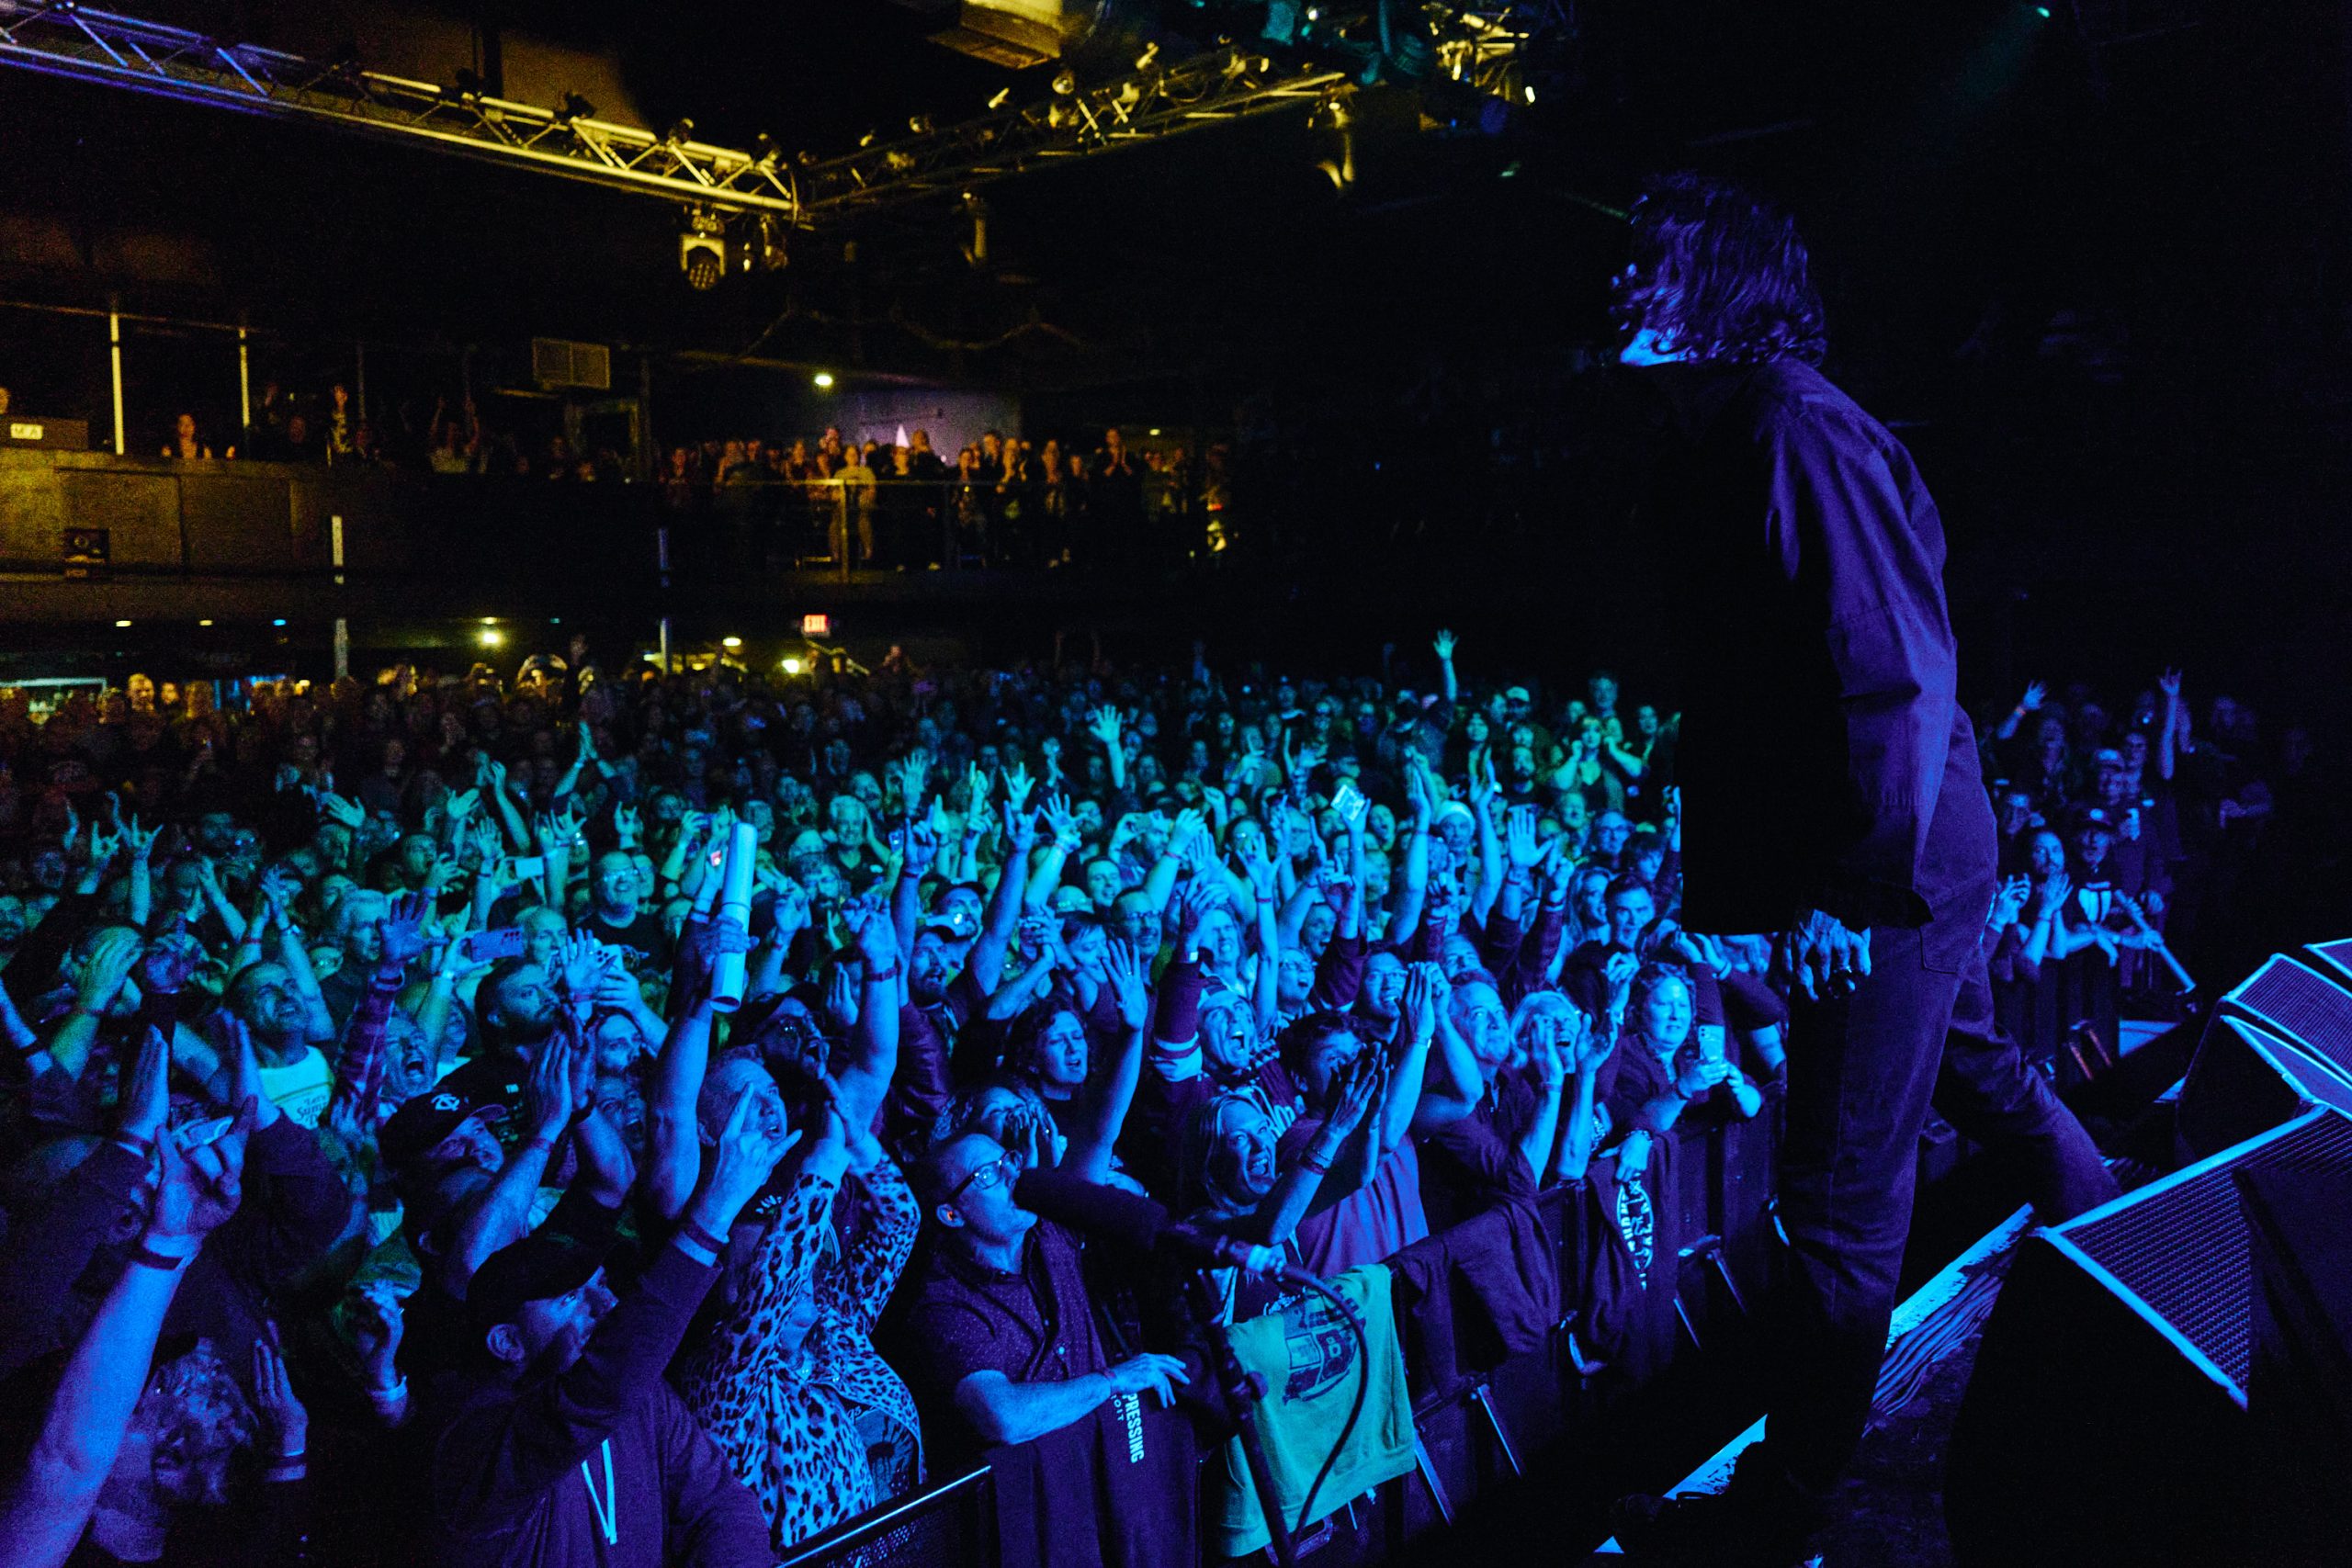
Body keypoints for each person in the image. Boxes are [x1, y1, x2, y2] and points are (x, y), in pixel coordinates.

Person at [1610, 172, 2110, 1564]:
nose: (1621, 284)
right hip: (1899, 847)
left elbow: (1890, 667)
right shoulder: (1739, 428)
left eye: (1652, 264)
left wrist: (1847, 883)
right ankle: (2120, 1234)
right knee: (1974, 1068)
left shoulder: (1792, 429)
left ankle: (1781, 1509)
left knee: (1834, 1196)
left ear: (1721, 289)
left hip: (1882, 862)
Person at [420, 1080, 794, 1566]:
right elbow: (598, 1393)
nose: (603, 1303)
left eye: (599, 1283)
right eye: (570, 1297)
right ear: (508, 1342)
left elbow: (719, 1505)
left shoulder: (648, 1400)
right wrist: (711, 1214)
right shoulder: (476, 1439)